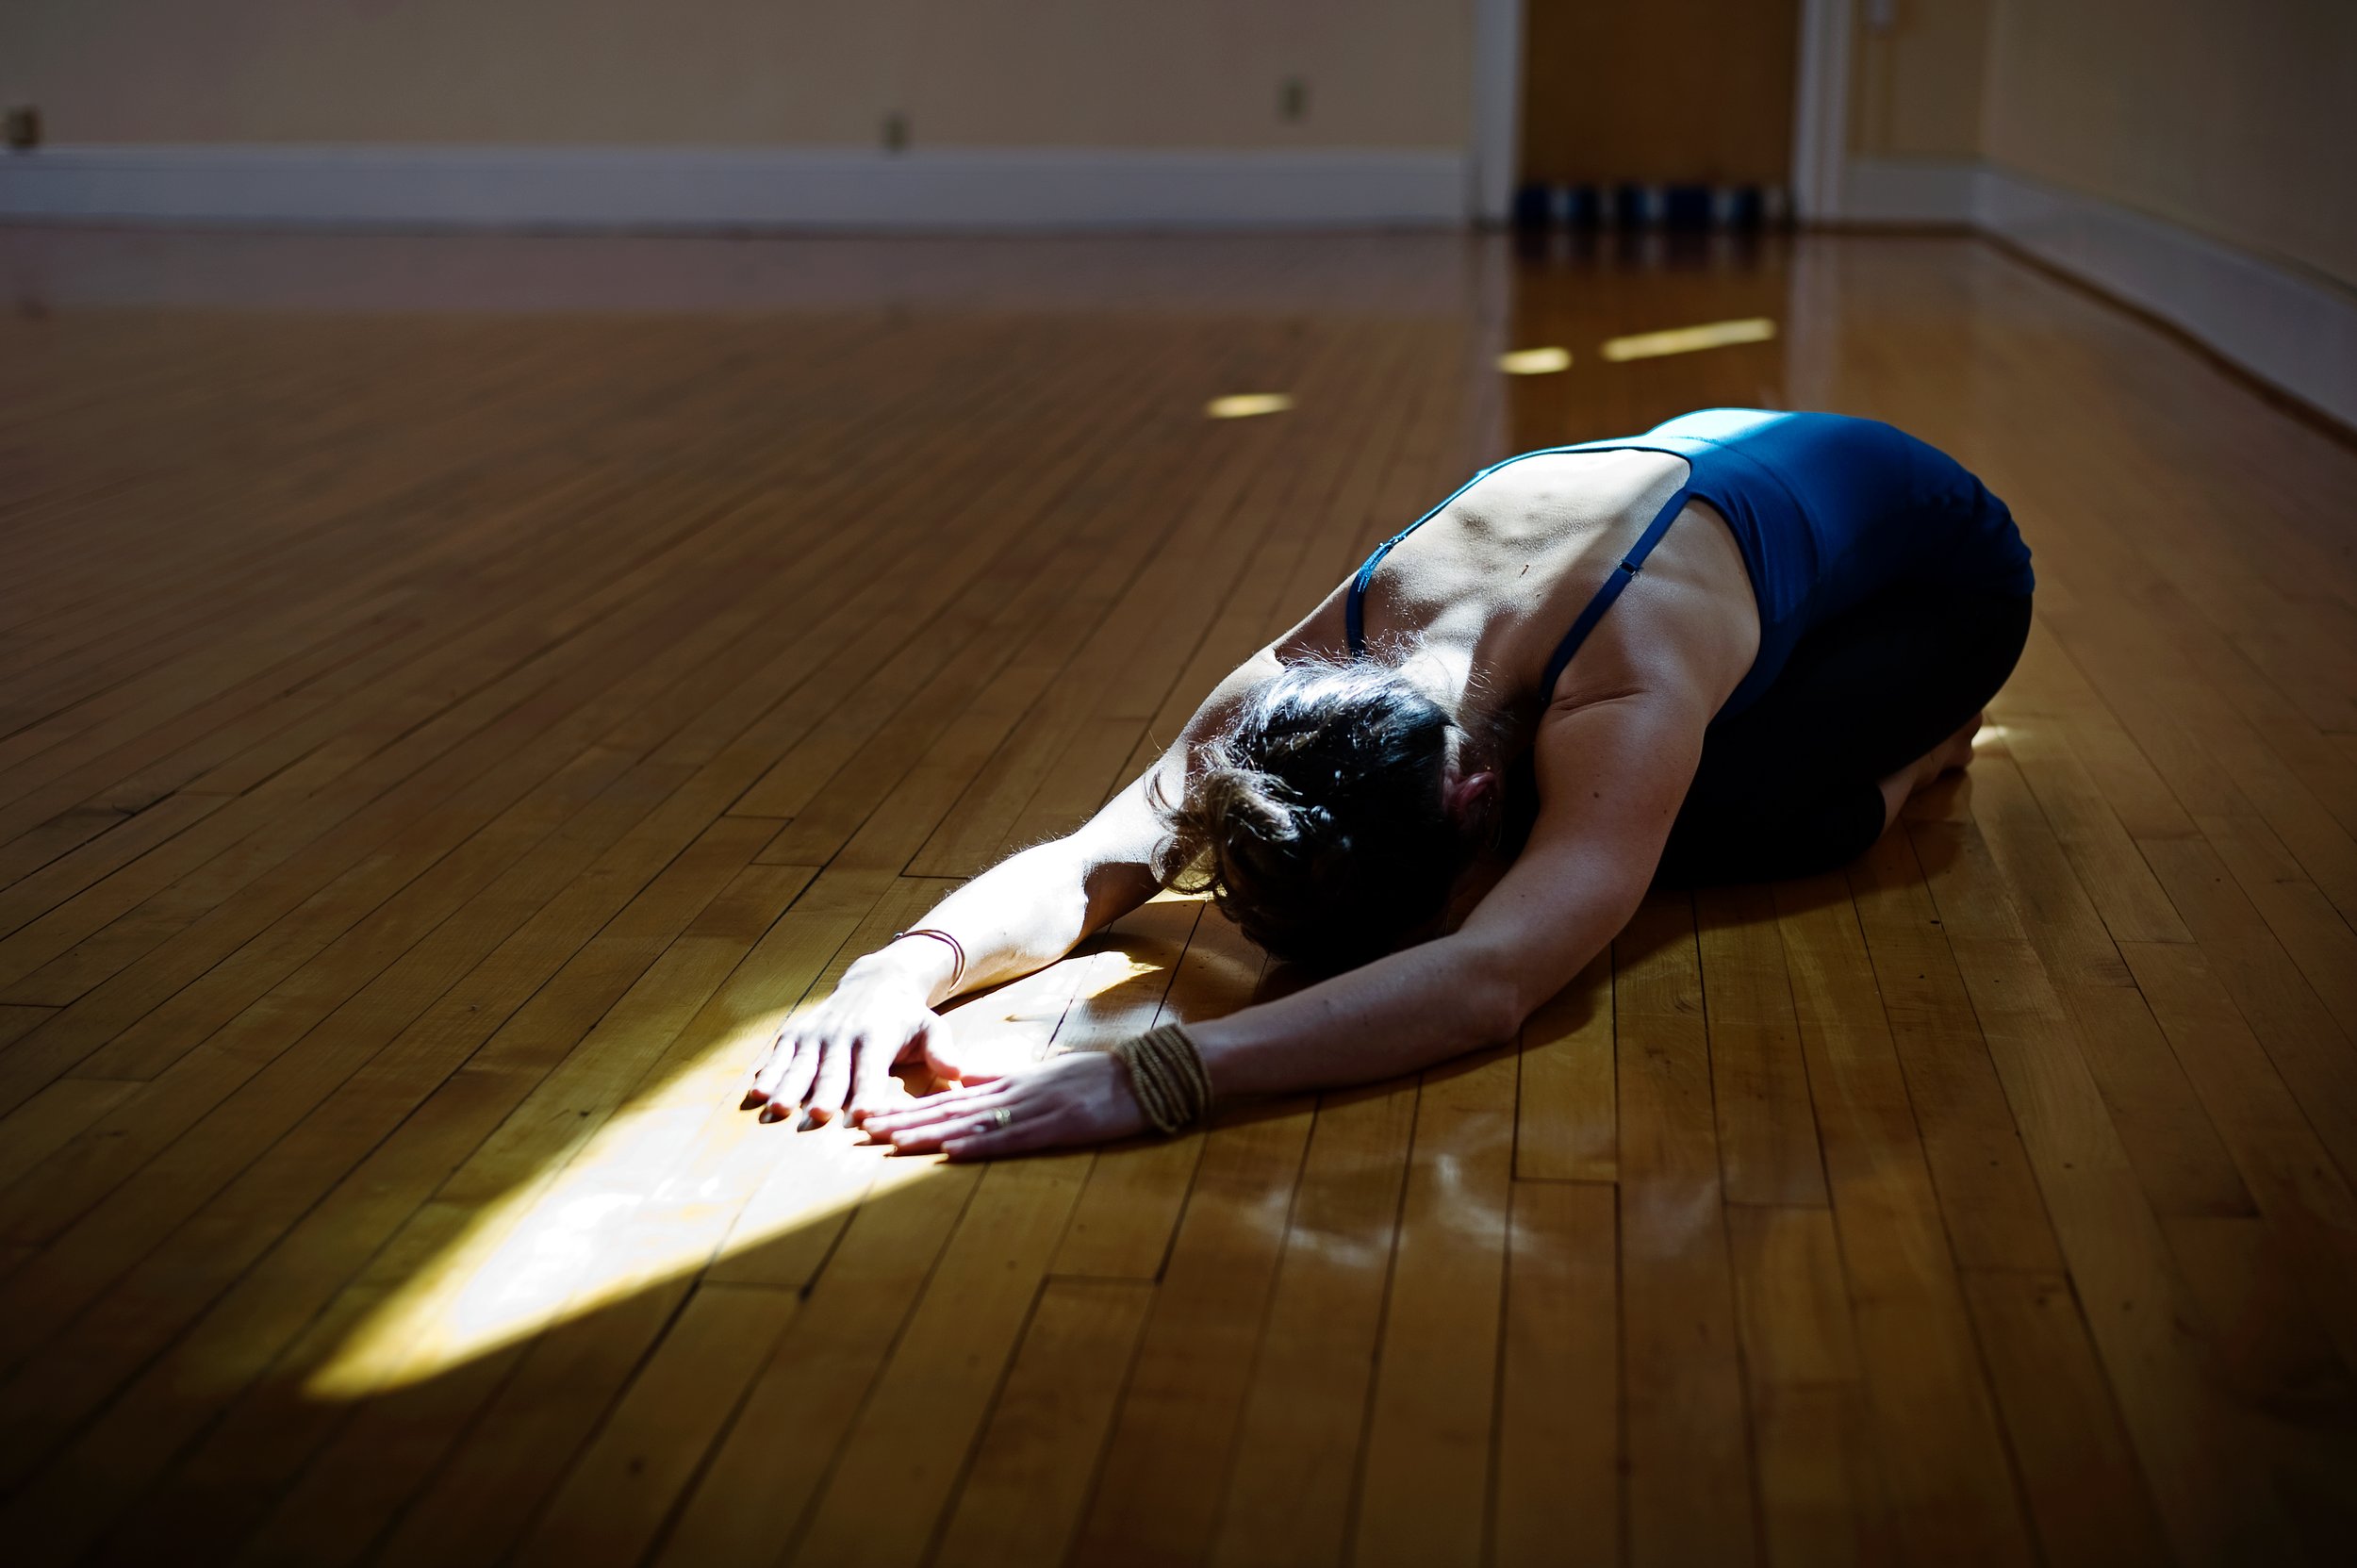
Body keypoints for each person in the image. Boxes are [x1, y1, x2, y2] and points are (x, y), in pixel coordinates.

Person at [740, 409, 2033, 1156]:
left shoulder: (1630, 678)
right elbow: (1095, 857)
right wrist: (893, 973)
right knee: (1602, 834)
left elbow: (1492, 979)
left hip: (1935, 579)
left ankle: (1924, 746)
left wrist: (1164, 1075)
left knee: (1691, 832)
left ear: (1475, 800)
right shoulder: (1297, 686)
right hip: (1734, 483)